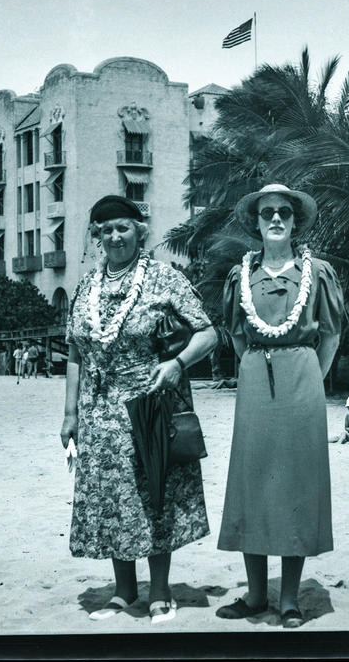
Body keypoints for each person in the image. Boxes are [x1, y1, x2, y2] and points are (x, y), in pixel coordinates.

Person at [61, 195, 217, 625]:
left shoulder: (163, 278)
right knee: (113, 499)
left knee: (155, 494)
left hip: (149, 403)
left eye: (123, 227)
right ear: (97, 237)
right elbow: (74, 352)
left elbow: (208, 333)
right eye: (105, 229)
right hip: (98, 412)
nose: (114, 236)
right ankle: (125, 591)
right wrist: (70, 414)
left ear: (139, 231)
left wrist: (177, 363)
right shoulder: (86, 286)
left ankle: (160, 592)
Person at [216, 184, 344, 629]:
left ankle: (289, 598)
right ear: (256, 221)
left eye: (283, 213)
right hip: (255, 378)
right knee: (252, 479)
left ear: (294, 222)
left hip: (302, 379)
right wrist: (257, 364)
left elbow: (330, 335)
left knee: (296, 483)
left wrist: (310, 376)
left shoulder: (317, 271)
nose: (275, 218)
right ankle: (254, 594)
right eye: (267, 212)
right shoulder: (241, 275)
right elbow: (235, 333)